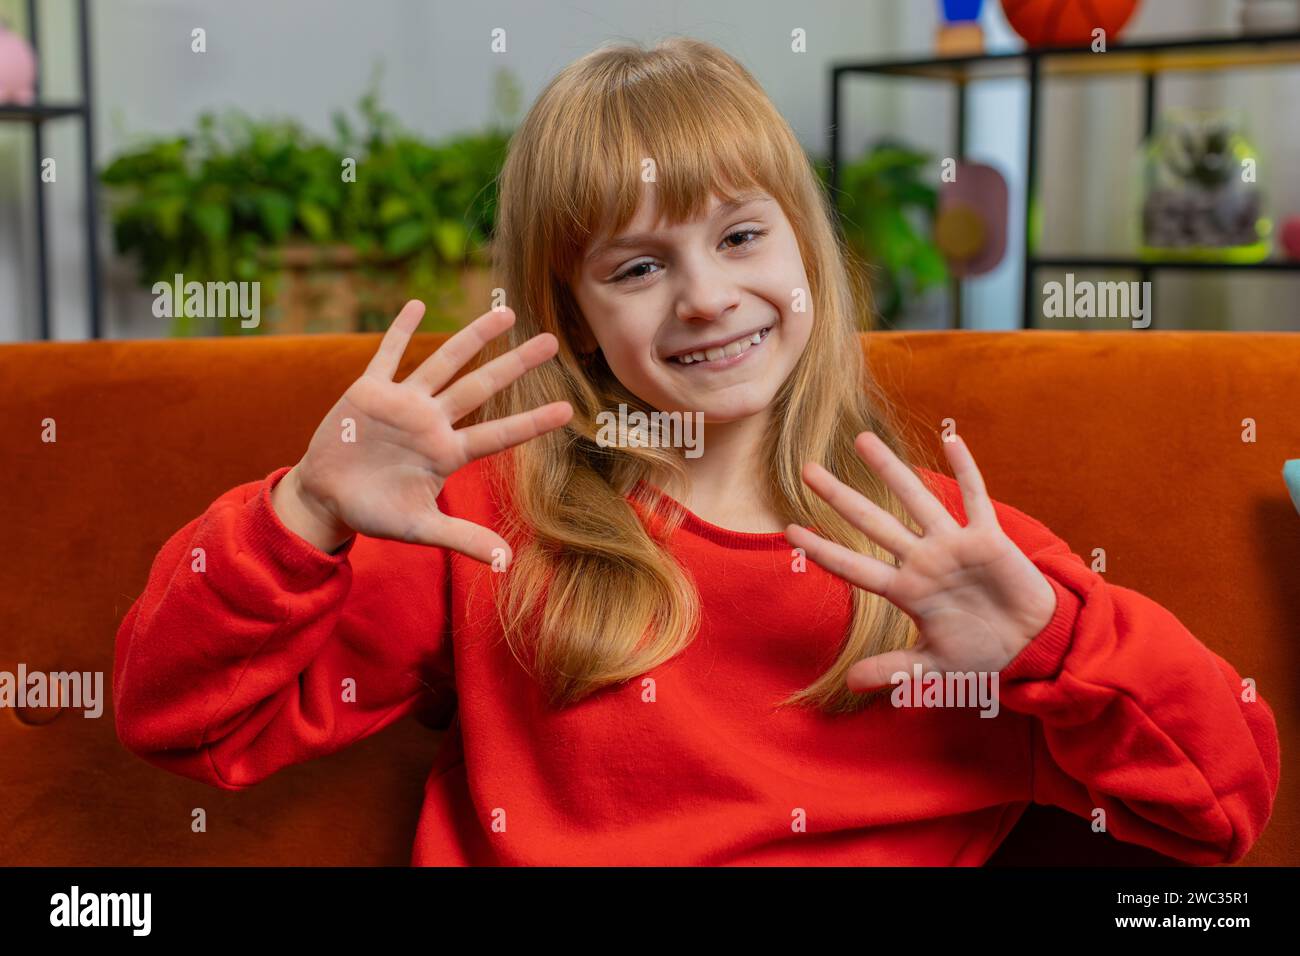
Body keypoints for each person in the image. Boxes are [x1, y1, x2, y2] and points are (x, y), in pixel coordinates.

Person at [113, 37, 1279, 866]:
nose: (707, 297)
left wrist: (1055, 648)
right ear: (573, 320)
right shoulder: (484, 528)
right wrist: (305, 510)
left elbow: (1222, 807)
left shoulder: (943, 553)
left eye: (738, 235)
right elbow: (180, 722)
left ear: (805, 253)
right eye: (636, 266)